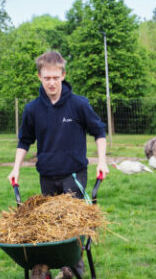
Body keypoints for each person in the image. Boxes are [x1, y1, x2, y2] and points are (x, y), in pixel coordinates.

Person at [8, 50, 109, 198]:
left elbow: (99, 132)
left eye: (55, 77)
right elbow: (24, 141)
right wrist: (15, 169)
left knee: (70, 219)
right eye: (47, 78)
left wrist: (102, 161)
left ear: (63, 75)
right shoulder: (32, 109)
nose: (52, 83)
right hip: (47, 177)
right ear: (39, 77)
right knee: (51, 221)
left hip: (74, 175)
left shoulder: (79, 104)